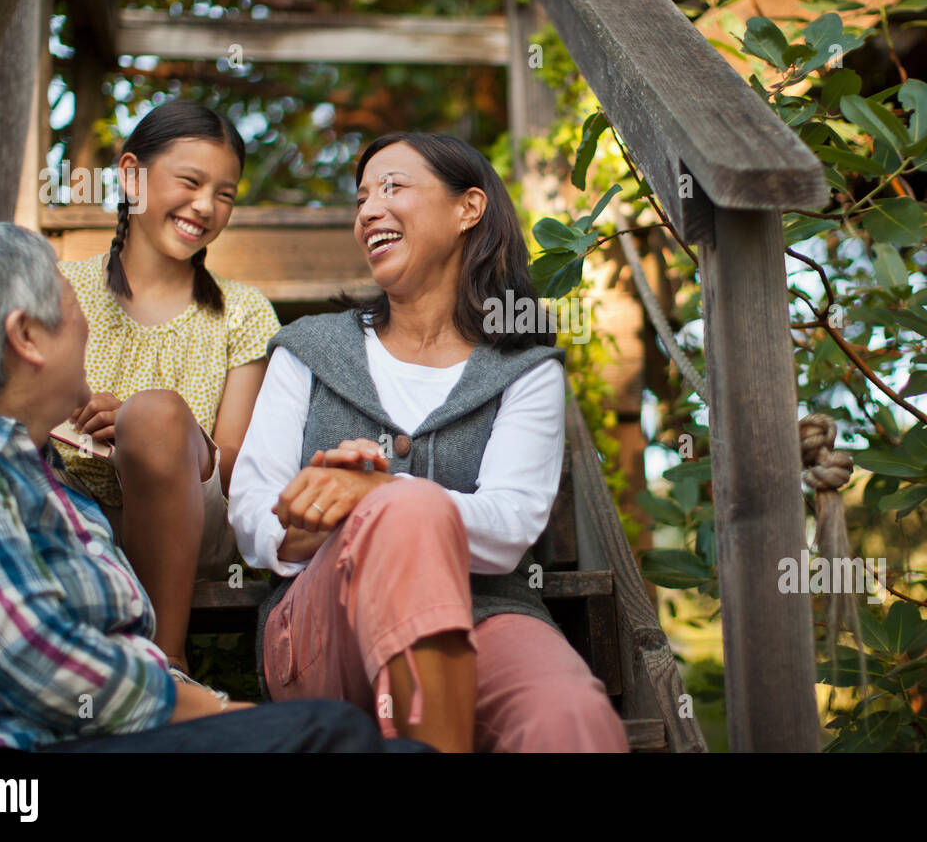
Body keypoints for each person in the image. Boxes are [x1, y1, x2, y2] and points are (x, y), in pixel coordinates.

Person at [0, 221, 426, 752]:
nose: (86, 326)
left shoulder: (37, 471)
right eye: (71, 303)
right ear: (27, 337)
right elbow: (37, 659)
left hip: (88, 734)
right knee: (331, 734)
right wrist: (221, 713)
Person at [230, 132, 629, 753]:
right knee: (403, 509)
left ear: (468, 208)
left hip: (487, 612)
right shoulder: (307, 350)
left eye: (392, 188)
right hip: (323, 624)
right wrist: (321, 517)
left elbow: (512, 524)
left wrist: (377, 493)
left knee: (568, 716)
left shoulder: (526, 368)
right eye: (361, 198)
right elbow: (252, 514)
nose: (367, 211)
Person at [51, 100, 280, 675]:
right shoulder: (58, 289)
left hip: (192, 517)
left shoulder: (244, 312)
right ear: (131, 178)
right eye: (191, 182)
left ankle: (164, 664)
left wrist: (154, 429)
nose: (206, 206)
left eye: (225, 193)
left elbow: (234, 468)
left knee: (154, 415)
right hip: (71, 502)